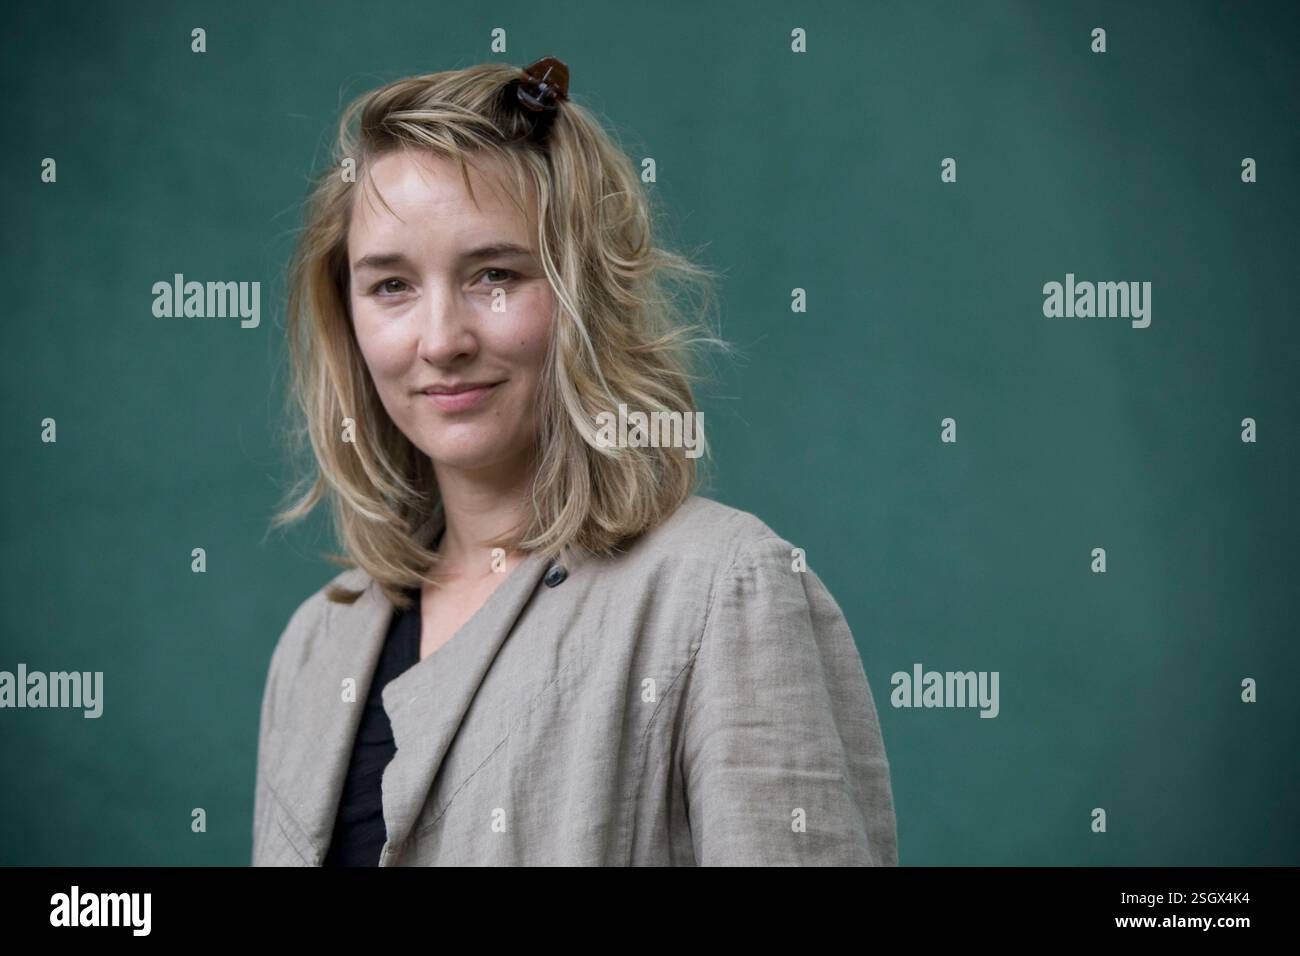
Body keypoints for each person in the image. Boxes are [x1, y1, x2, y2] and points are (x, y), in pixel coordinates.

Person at [253, 57, 898, 866]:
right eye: (391, 286)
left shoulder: (722, 592)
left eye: (495, 275)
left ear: (582, 292)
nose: (442, 339)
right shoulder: (316, 644)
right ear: (346, 315)